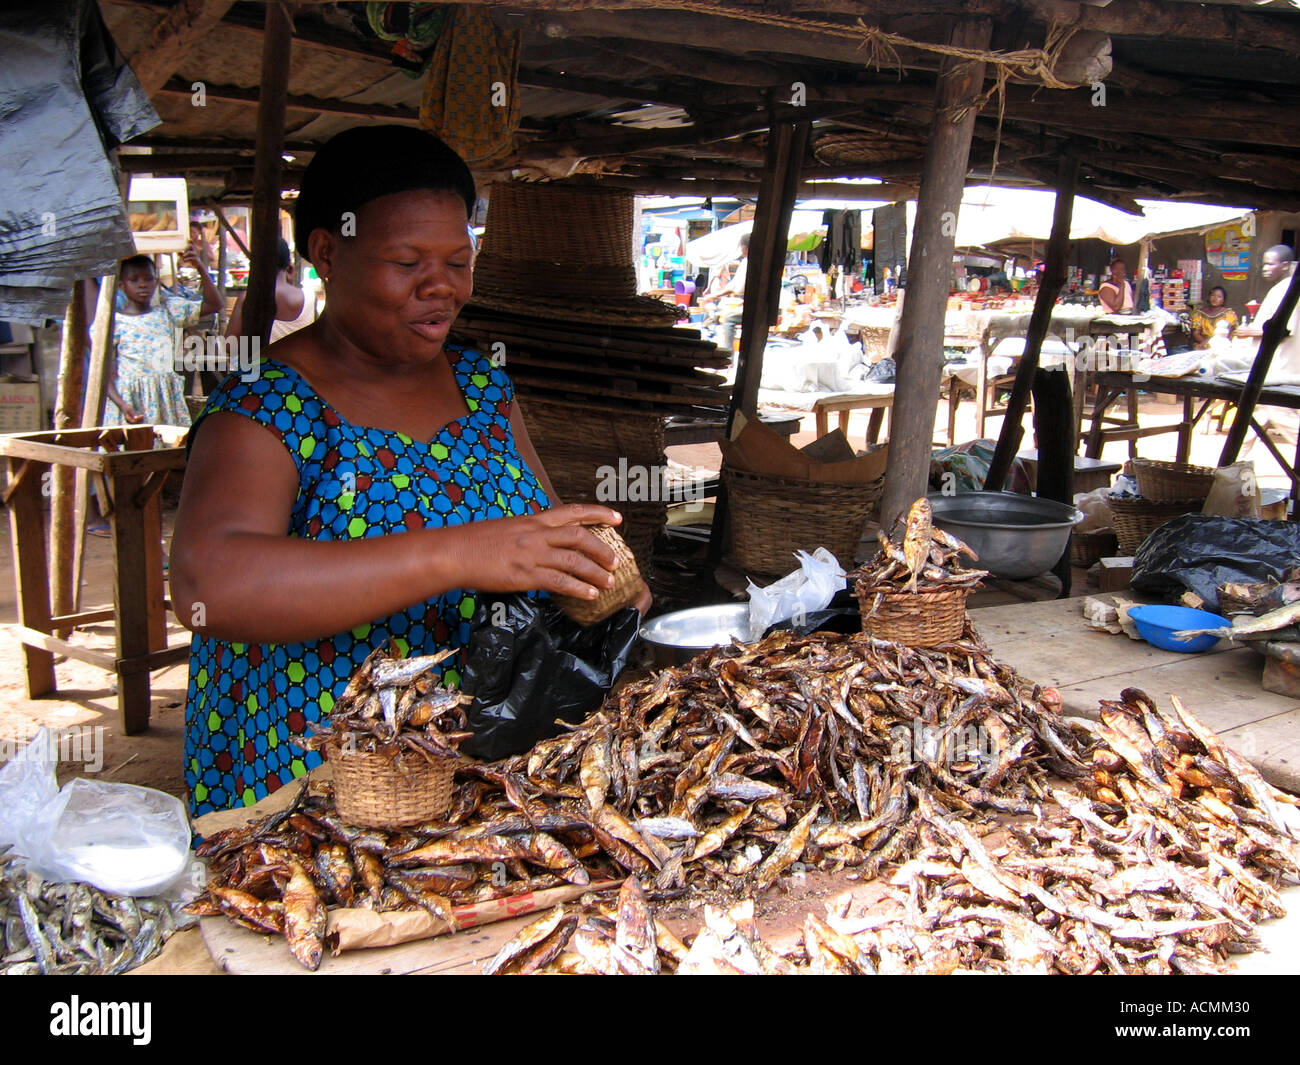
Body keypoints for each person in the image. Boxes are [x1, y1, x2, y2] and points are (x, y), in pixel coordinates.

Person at [170, 126, 652, 815]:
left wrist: (595, 581)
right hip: (318, 784)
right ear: (328, 253)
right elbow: (205, 584)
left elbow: (538, 537)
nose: (442, 287)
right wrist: (457, 553)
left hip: (484, 770)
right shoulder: (265, 403)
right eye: (407, 261)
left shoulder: (482, 387)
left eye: (459, 260)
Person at [104, 247, 222, 427]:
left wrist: (200, 267)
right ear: (121, 285)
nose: (142, 284)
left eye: (148, 279)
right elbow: (103, 374)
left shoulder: (169, 311)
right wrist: (122, 404)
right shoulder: (115, 323)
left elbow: (215, 304)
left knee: (165, 449)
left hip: (165, 401)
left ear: (157, 282)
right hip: (130, 402)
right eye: (134, 280)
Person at [225, 237, 317, 344]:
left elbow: (228, 345)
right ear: (290, 268)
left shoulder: (248, 297)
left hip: (260, 360)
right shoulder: (310, 297)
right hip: (301, 360)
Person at [715, 233, 749, 351]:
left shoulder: (748, 262)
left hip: (755, 307)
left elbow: (738, 288)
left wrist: (715, 295)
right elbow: (734, 285)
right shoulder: (746, 261)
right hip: (750, 302)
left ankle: (728, 354)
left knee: (728, 318)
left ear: (744, 247)